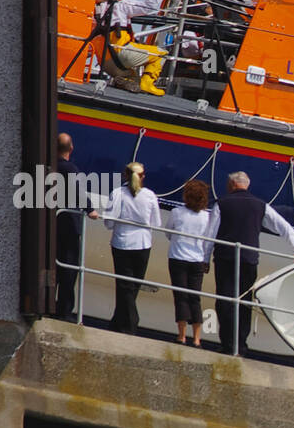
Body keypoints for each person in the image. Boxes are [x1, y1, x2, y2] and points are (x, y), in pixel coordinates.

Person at [213, 170, 294, 355]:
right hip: (249, 259)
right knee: (245, 301)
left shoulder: (221, 203)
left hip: (225, 258)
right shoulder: (260, 205)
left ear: (232, 185)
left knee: (225, 300)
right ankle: (241, 344)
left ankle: (227, 343)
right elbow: (284, 227)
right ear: (247, 185)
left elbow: (210, 232)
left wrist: (204, 258)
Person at [94, 0, 179, 96]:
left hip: (105, 63)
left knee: (134, 78)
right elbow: (150, 6)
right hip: (120, 54)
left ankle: (123, 81)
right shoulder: (121, 5)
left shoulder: (94, 9)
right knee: (161, 54)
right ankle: (148, 84)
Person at [103, 162, 162, 334]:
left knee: (124, 286)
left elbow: (108, 222)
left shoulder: (117, 194)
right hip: (143, 244)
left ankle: (126, 323)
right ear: (143, 176)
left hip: (122, 243)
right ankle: (123, 323)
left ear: (125, 175)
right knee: (132, 286)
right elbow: (156, 223)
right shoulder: (150, 195)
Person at [167, 179, 220, 346]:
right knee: (195, 298)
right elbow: (209, 238)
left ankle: (181, 336)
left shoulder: (176, 212)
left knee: (181, 297)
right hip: (197, 260)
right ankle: (197, 338)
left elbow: (169, 233)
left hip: (178, 258)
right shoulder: (207, 217)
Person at [55, 133, 99, 321]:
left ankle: (47, 303)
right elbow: (78, 192)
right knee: (69, 269)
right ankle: (64, 311)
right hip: (69, 226)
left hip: (53, 225)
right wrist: (90, 209)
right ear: (71, 148)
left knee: (53, 267)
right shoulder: (70, 169)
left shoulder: (48, 167)